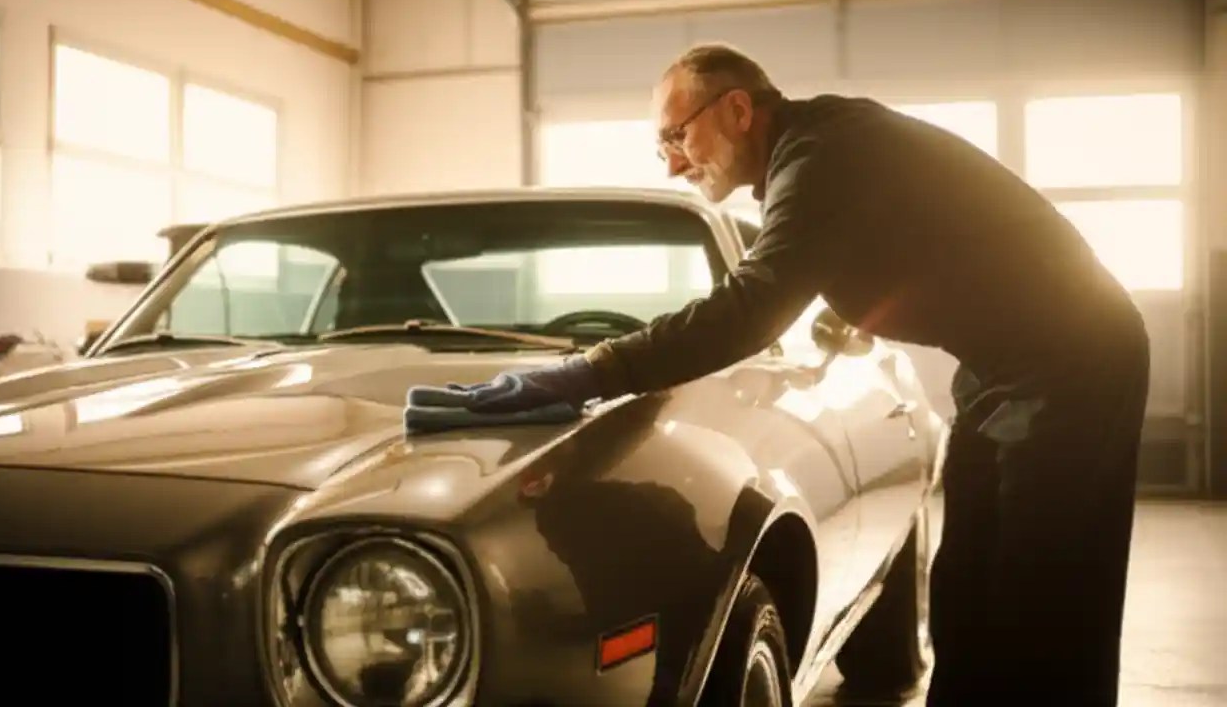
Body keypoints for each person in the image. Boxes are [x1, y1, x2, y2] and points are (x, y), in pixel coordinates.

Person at [453, 43, 1150, 706]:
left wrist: (591, 369)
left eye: (676, 136)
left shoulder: (822, 154)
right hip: (1001, 365)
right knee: (968, 593)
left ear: (737, 109)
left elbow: (752, 307)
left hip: (1072, 355)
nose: (672, 164)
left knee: (1042, 598)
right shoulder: (814, 157)